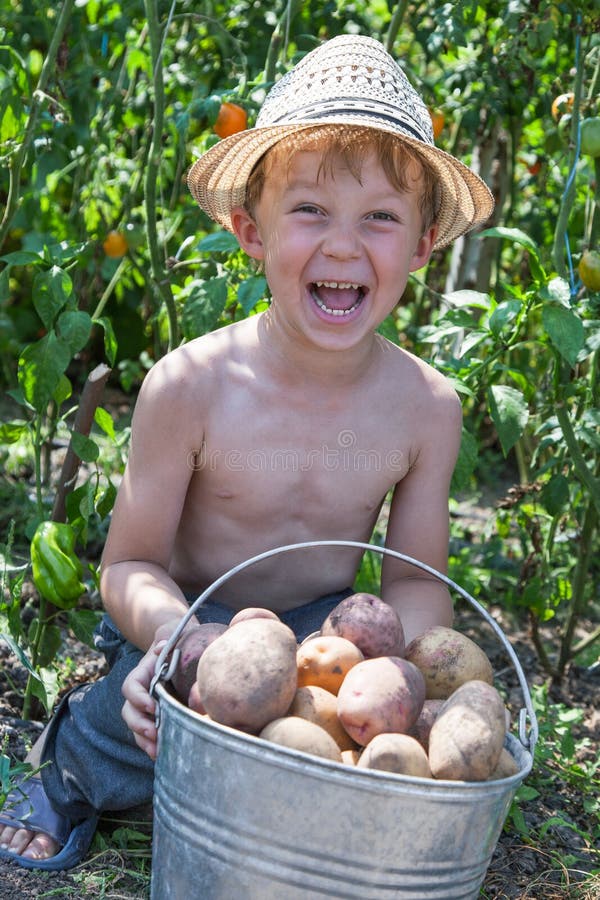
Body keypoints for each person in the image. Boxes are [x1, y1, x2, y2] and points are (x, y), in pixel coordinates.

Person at [0, 33, 493, 869]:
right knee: (144, 732)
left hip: (321, 640)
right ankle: (74, 769)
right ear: (248, 231)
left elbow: (412, 582)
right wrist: (175, 639)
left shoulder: (425, 407)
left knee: (338, 765)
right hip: (190, 619)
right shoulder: (190, 384)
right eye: (309, 211)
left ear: (421, 247)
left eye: (379, 217)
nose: (343, 245)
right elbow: (128, 567)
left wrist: (394, 690)